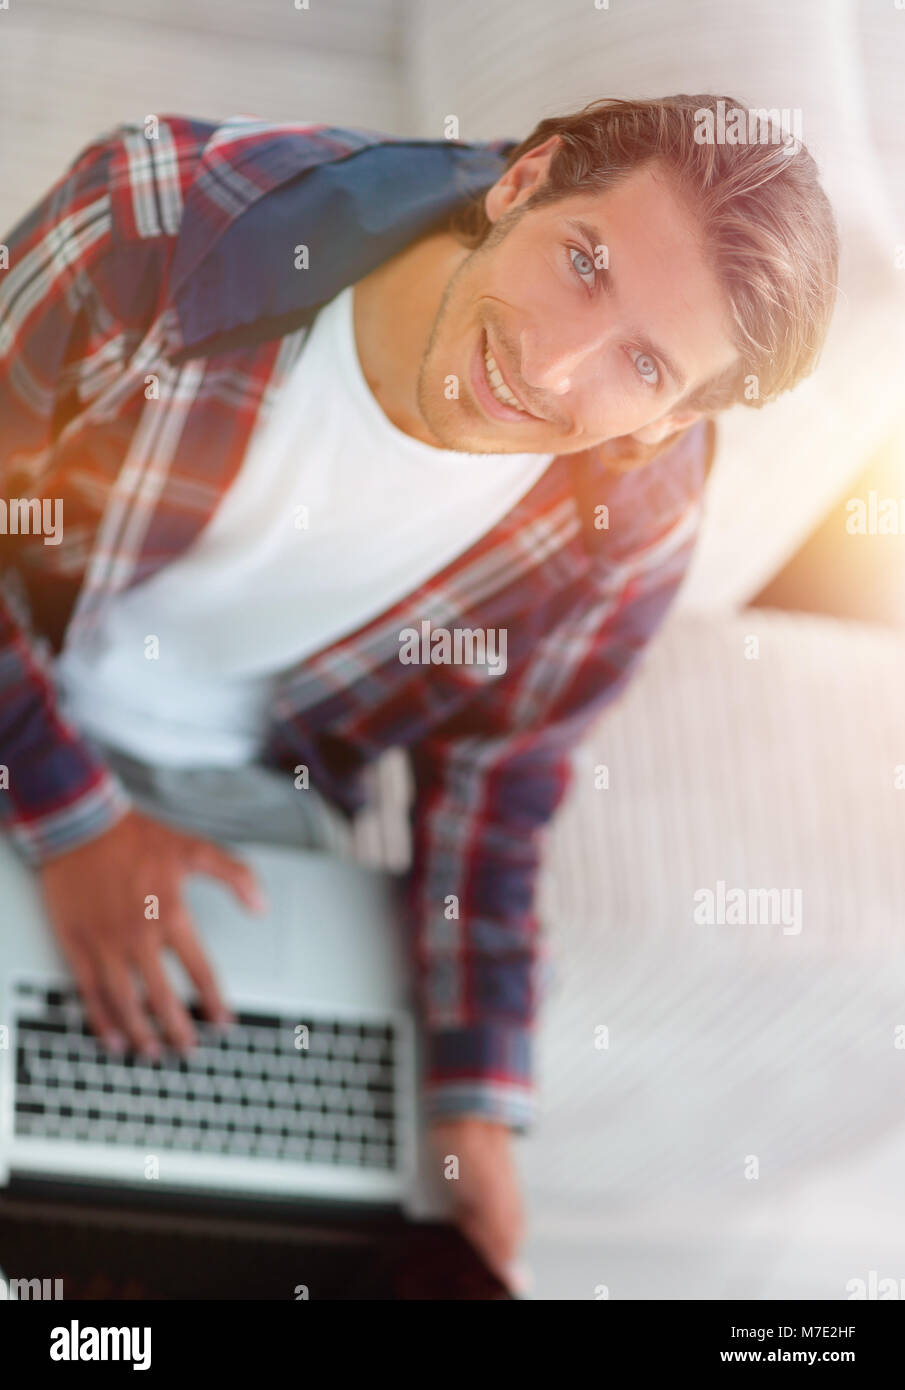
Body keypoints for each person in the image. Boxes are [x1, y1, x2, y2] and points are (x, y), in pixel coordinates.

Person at [0, 95, 838, 1287]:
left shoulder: (632, 516)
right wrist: (73, 823)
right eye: (582, 262)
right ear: (525, 181)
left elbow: (501, 778)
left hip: (243, 808)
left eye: (642, 363)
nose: (547, 363)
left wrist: (470, 1103)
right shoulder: (157, 218)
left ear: (673, 419)